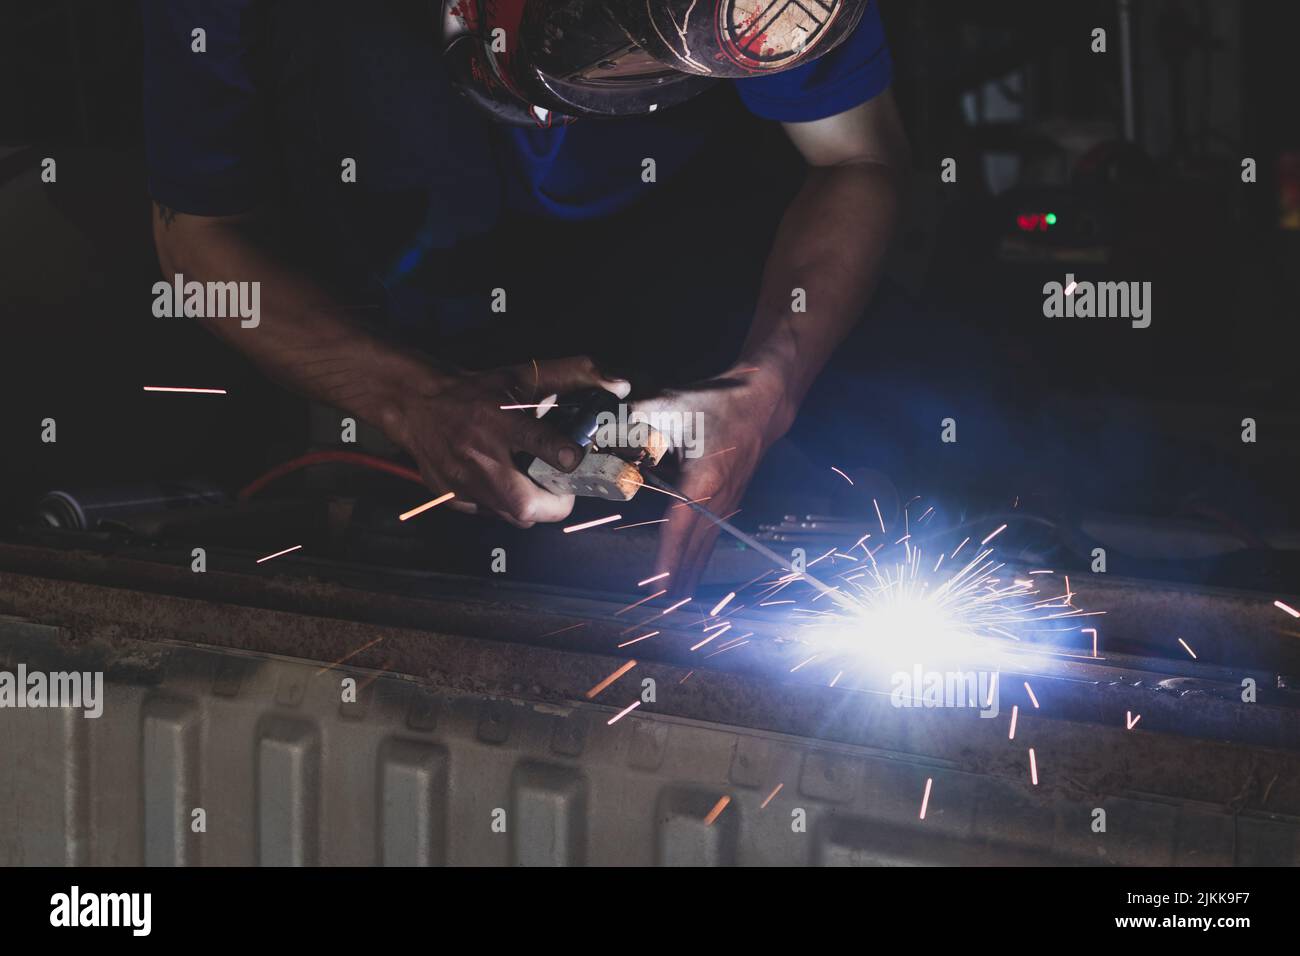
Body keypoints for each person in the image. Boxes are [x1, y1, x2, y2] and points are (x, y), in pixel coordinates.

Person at [141, 0, 908, 594]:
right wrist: (410, 398)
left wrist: (768, 385)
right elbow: (199, 239)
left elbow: (857, 160)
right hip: (396, 343)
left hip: (690, 320)